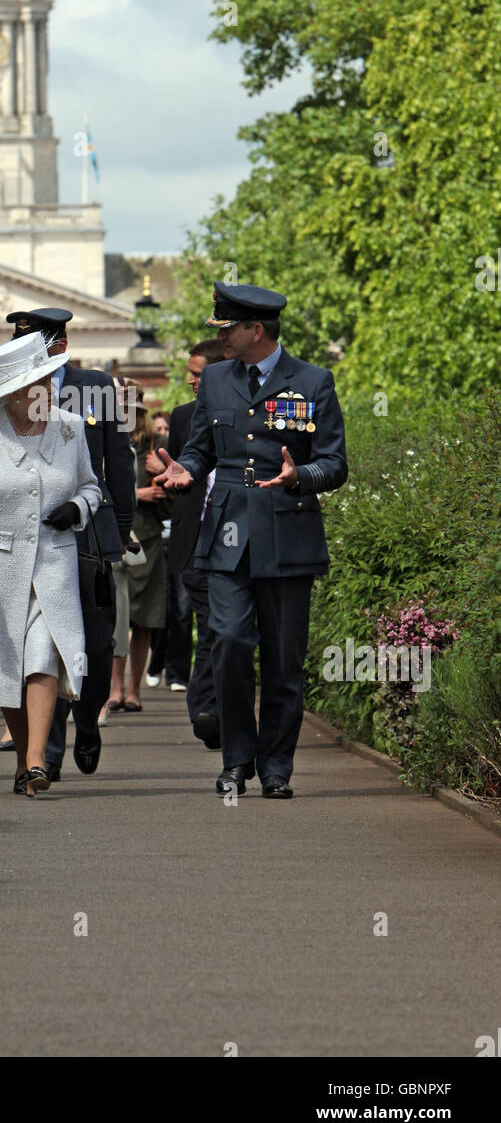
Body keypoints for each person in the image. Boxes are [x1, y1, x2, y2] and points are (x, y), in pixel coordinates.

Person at [156, 283, 348, 798]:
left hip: (288, 535)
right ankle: (237, 760)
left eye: (228, 329)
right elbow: (200, 449)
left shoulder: (312, 381)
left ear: (255, 331)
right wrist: (185, 471)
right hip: (225, 536)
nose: (220, 339)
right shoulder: (216, 380)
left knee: (285, 660)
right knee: (230, 643)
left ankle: (277, 767)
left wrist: (299, 475)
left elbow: (335, 464)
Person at [0, 331, 101, 797]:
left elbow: (92, 486)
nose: (48, 391)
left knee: (42, 656)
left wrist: (78, 507)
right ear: (13, 394)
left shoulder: (71, 428)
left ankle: (36, 761)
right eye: (38, 385)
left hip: (54, 565)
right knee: (6, 665)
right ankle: (23, 759)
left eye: (49, 382)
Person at [5, 308, 135, 781]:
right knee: (46, 639)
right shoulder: (7, 391)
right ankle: (47, 753)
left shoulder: (97, 386)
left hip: (91, 531)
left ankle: (89, 718)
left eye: (36, 346)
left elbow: (118, 464)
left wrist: (119, 532)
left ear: (59, 345)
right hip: (35, 535)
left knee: (97, 644)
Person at [167, 338, 230, 747]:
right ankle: (206, 709)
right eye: (188, 373)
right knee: (209, 626)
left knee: (226, 631)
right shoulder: (182, 416)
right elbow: (180, 476)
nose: (190, 381)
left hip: (236, 540)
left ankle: (216, 709)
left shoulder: (244, 414)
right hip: (194, 543)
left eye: (196, 373)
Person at [121, 387, 170, 711]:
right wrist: (137, 495)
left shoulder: (156, 446)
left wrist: (162, 473)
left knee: (142, 619)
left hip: (148, 538)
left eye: (132, 409)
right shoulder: (103, 443)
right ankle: (114, 689)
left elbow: (181, 488)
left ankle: (133, 690)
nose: (126, 415)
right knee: (114, 617)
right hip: (114, 537)